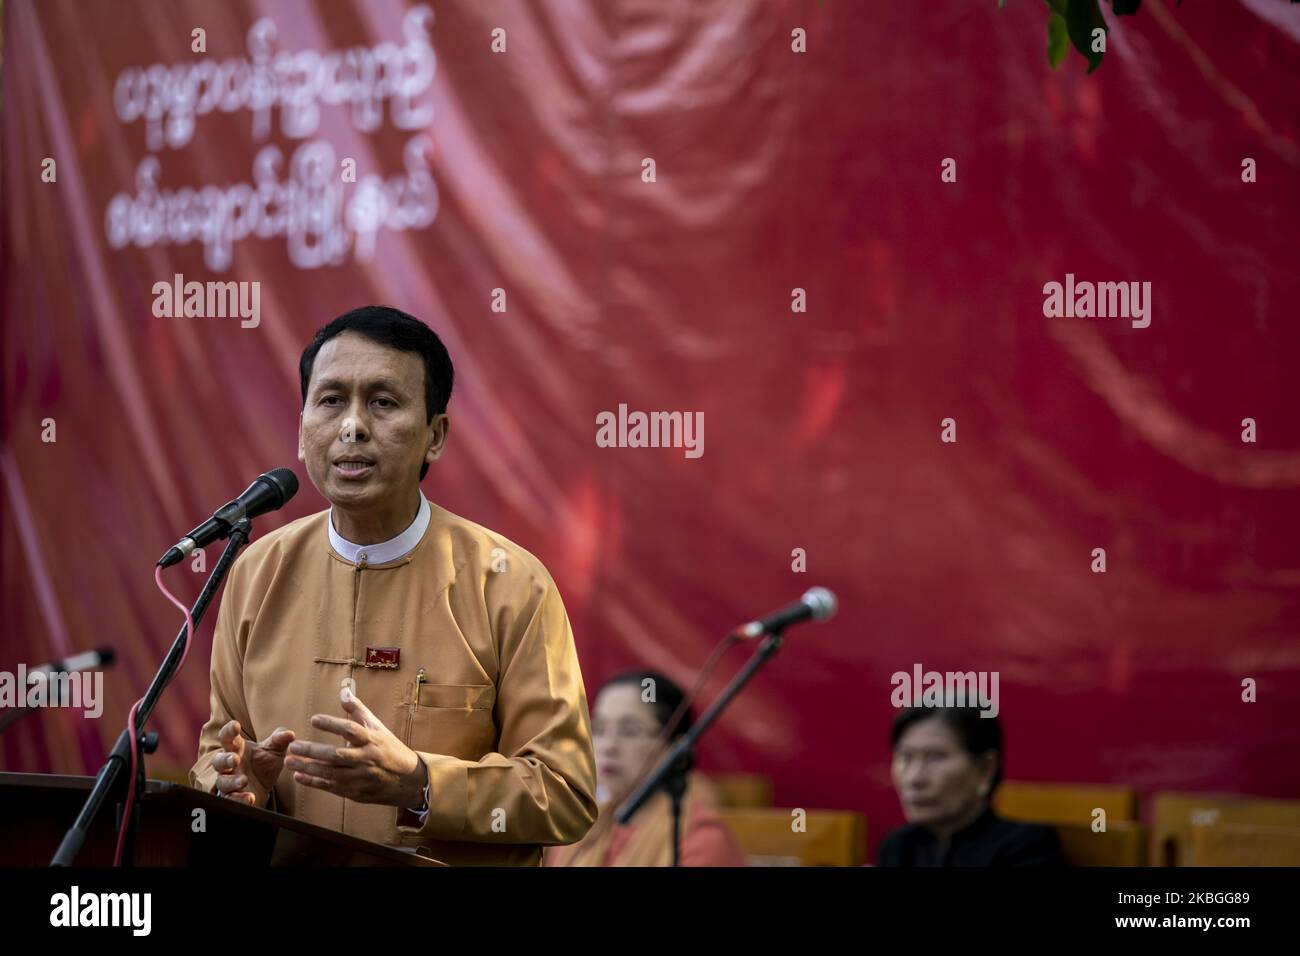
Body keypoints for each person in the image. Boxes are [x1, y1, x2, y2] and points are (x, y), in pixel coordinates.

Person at [188, 305, 598, 866]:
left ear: (435, 435)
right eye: (331, 401)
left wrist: (421, 783)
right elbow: (217, 751)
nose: (352, 426)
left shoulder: (508, 585)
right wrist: (235, 786)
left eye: (382, 402)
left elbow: (565, 793)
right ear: (302, 432)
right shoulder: (257, 571)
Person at [546, 671, 748, 866]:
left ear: (674, 748)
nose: (608, 745)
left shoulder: (698, 839)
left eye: (631, 731)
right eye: (598, 729)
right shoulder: (582, 827)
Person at [877, 706, 1062, 867]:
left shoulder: (1026, 847)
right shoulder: (898, 846)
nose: (914, 779)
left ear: (985, 769)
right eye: (906, 757)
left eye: (935, 757)